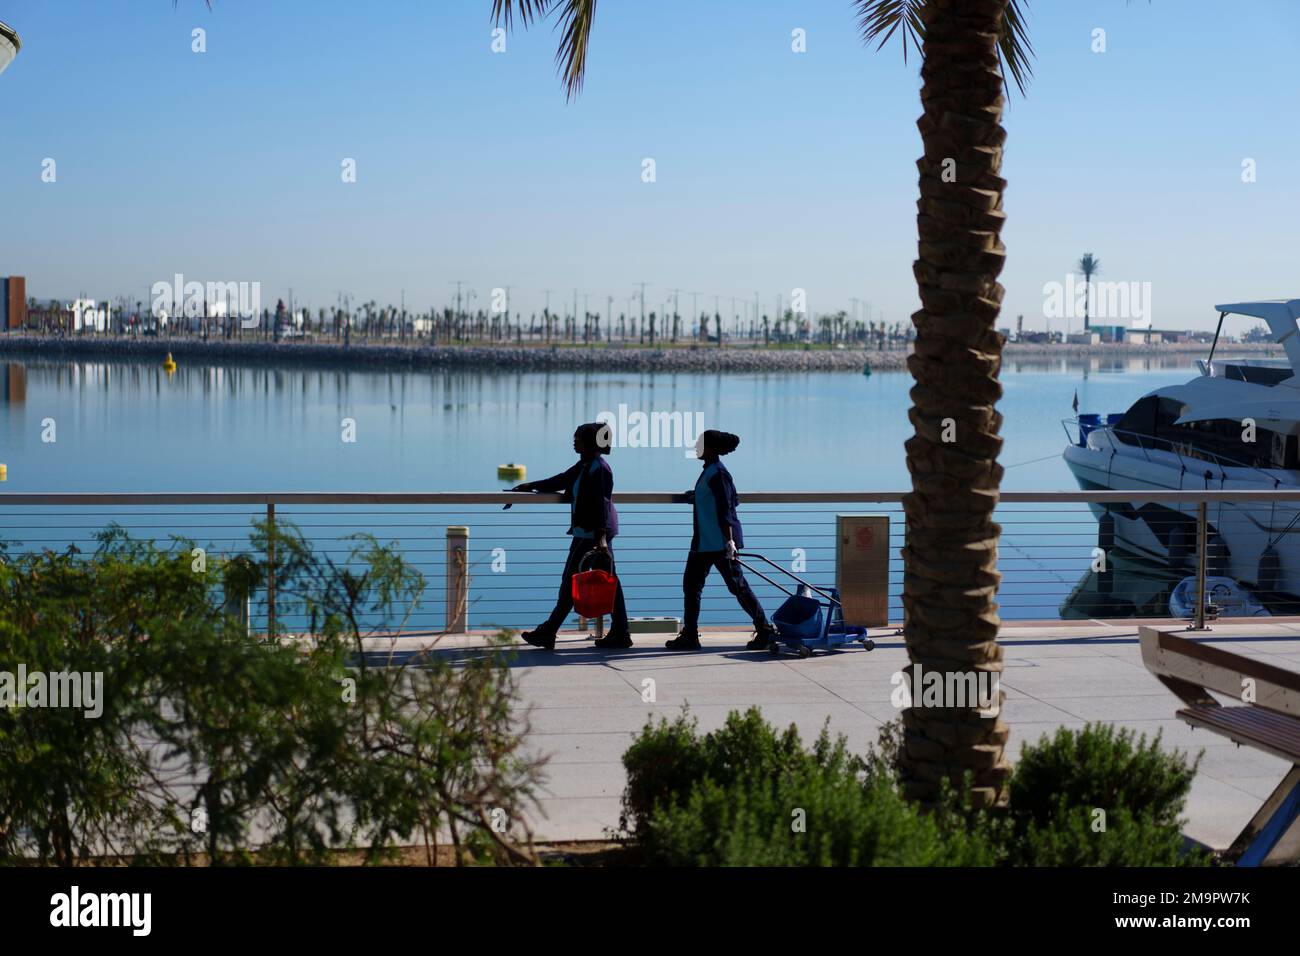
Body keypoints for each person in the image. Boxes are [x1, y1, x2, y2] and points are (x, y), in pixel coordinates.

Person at [510, 423, 632, 650]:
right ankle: (621, 632)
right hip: (589, 533)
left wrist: (601, 538)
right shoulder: (585, 466)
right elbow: (559, 481)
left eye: (578, 438)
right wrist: (527, 486)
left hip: (593, 535)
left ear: (592, 442)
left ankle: (549, 631)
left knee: (570, 583)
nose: (574, 441)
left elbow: (602, 505)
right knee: (609, 580)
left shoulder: (600, 469)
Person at [668, 430, 778, 651]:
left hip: (721, 544)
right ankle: (690, 635)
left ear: (711, 448)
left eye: (701, 444)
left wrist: (730, 542)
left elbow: (727, 506)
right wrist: (694, 497)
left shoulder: (718, 473)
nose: (697, 447)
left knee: (737, 586)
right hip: (703, 543)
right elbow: (716, 498)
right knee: (691, 586)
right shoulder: (710, 471)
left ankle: (764, 630)